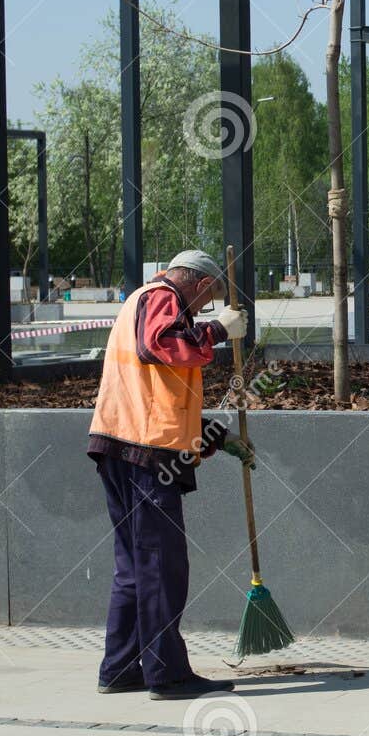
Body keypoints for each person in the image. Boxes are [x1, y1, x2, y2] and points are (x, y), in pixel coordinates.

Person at [86, 250, 253, 701]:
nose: (204, 309)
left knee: (135, 568)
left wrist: (218, 438)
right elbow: (158, 346)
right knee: (161, 566)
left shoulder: (145, 301)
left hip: (122, 445)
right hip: (145, 457)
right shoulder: (162, 297)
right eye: (209, 300)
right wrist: (218, 331)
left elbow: (162, 397)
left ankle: (119, 668)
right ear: (198, 283)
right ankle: (167, 673)